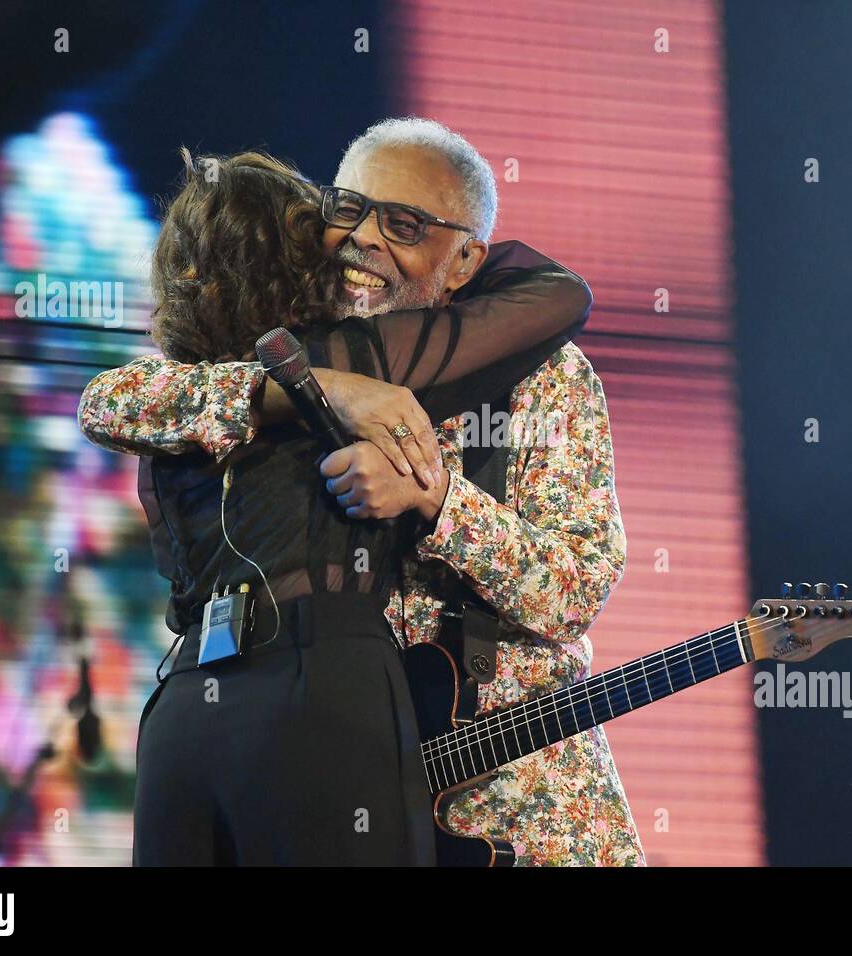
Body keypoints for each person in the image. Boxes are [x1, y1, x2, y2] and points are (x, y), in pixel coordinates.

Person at [80, 119, 644, 866]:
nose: (364, 238)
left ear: (466, 257)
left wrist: (438, 500)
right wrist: (318, 391)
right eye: (348, 208)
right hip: (338, 779)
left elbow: (573, 590)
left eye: (404, 224)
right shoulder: (297, 353)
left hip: (519, 798)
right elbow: (115, 400)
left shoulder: (543, 373)